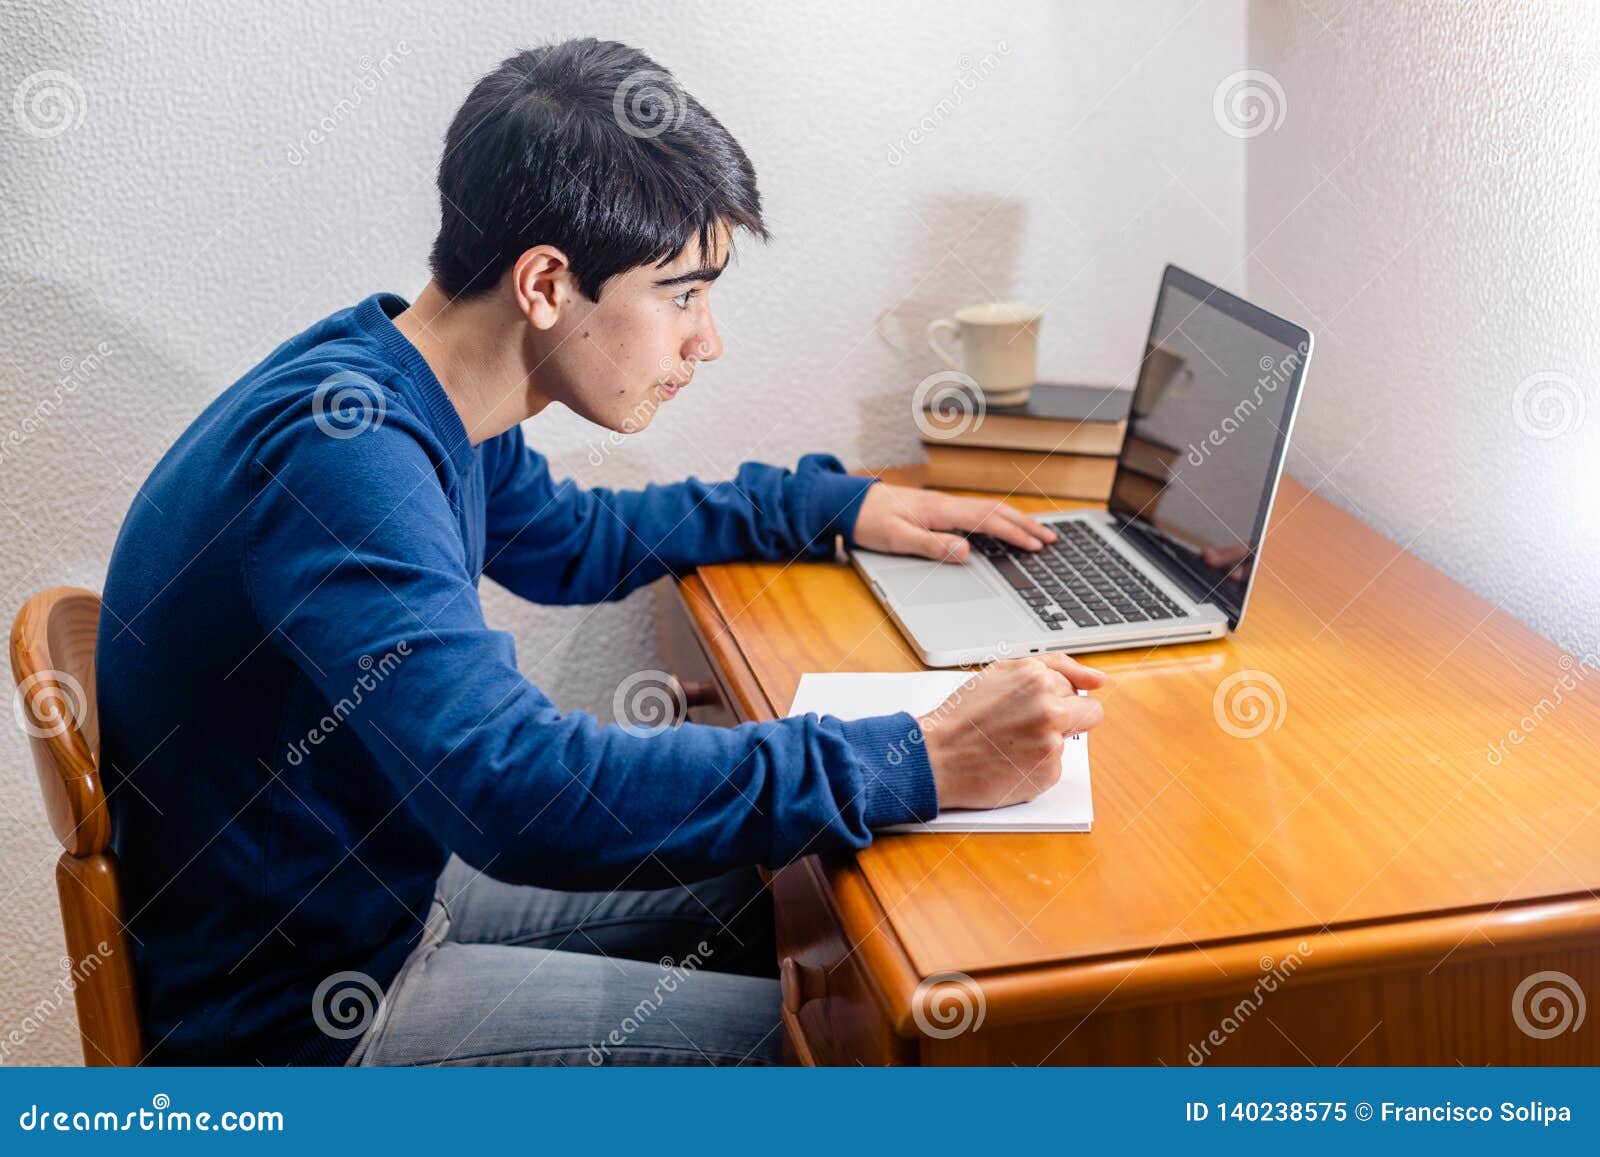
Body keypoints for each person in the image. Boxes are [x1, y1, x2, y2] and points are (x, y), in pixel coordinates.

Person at [96, 37, 1106, 1067]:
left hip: (376, 904)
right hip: (304, 1027)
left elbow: (572, 540)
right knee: (856, 1048)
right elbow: (519, 793)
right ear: (544, 283)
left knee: (789, 890)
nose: (705, 340)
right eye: (681, 293)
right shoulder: (342, 459)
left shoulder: (410, 383)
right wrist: (920, 755)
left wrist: (832, 505)